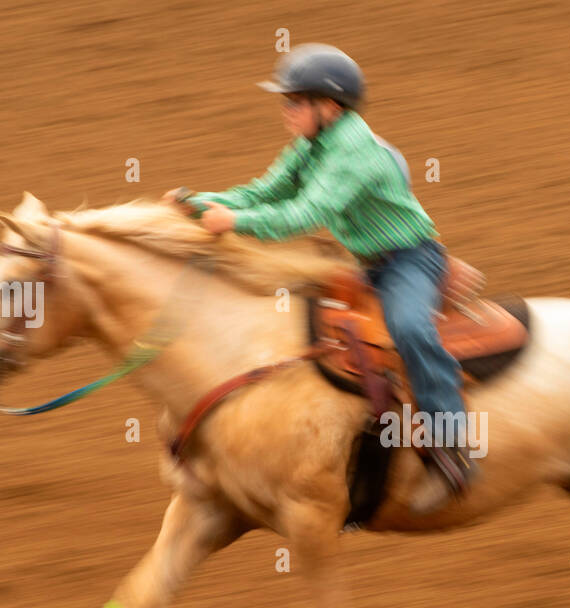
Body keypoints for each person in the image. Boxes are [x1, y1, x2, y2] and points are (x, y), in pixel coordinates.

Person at [164, 43, 475, 513]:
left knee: (410, 328)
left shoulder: (352, 153)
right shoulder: (310, 146)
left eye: (294, 101)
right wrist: (202, 202)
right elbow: (263, 191)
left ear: (328, 106)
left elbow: (304, 214)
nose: (285, 111)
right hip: (369, 266)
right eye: (285, 101)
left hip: (412, 261)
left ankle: (454, 451)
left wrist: (234, 224)